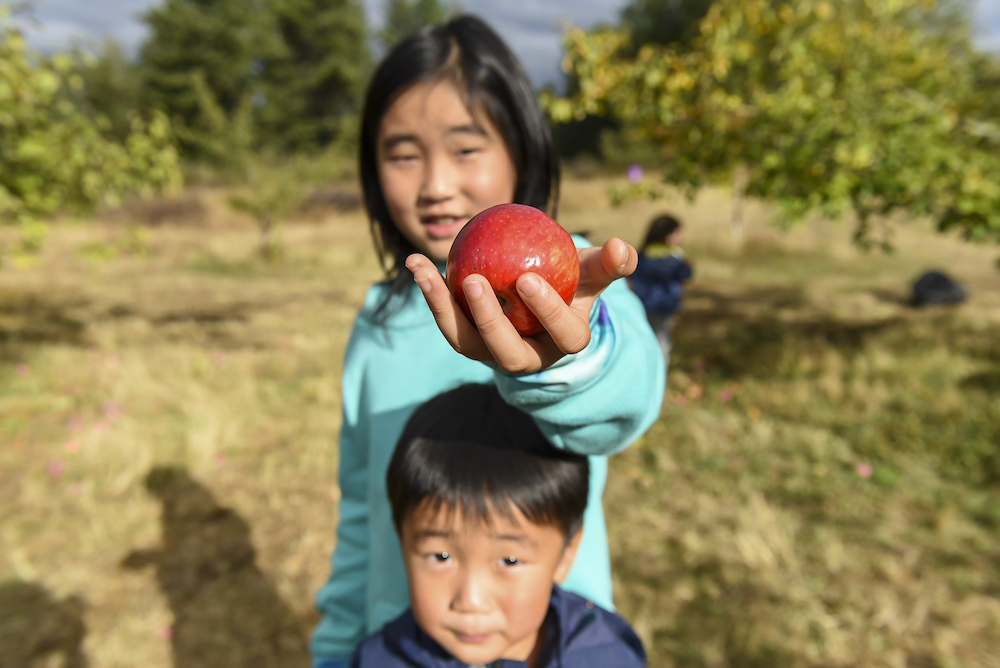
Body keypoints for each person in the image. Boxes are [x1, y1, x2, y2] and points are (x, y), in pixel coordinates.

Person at [311, 14, 665, 668]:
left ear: (522, 151)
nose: (436, 184)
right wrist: (337, 650)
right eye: (403, 153)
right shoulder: (377, 328)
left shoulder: (578, 285)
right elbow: (361, 516)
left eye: (466, 148)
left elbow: (629, 398)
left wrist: (571, 362)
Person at [352, 383, 647, 667]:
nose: (471, 600)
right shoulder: (380, 659)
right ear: (403, 541)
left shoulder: (608, 655)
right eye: (441, 557)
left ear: (566, 554)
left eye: (509, 560)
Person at [628, 214, 693, 374]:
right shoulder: (676, 257)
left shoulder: (642, 255)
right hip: (665, 307)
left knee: (643, 340)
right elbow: (686, 275)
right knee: (662, 341)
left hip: (643, 305)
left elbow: (632, 275)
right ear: (668, 234)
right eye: (678, 233)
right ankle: (659, 376)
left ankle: (642, 372)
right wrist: (688, 266)